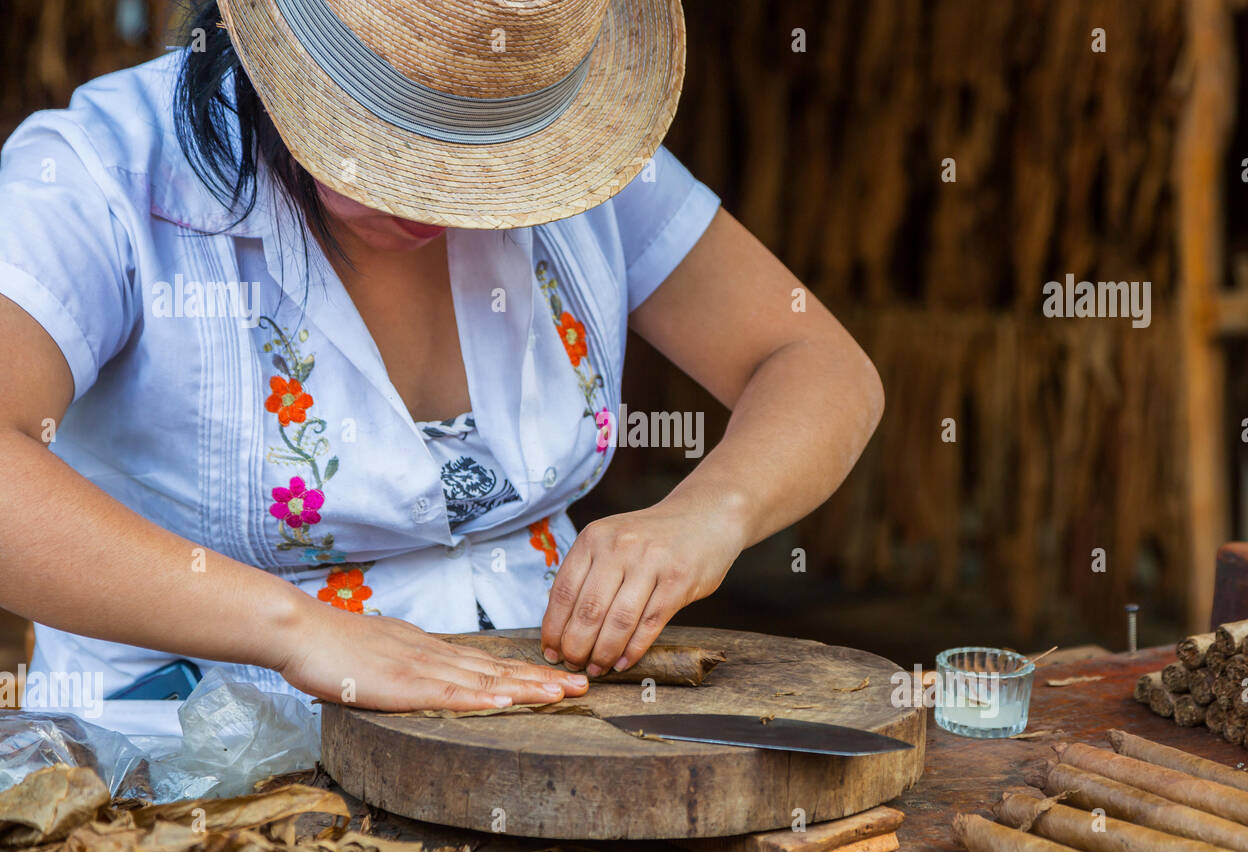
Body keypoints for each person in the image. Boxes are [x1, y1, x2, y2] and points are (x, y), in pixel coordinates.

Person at [0, 0, 882, 735]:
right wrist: (295, 631)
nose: (444, 197)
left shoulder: (572, 146)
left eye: (484, 159)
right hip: (197, 772)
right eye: (400, 143)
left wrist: (705, 516)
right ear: (276, 50)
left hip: (553, 752)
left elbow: (815, 360)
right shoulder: (97, 179)